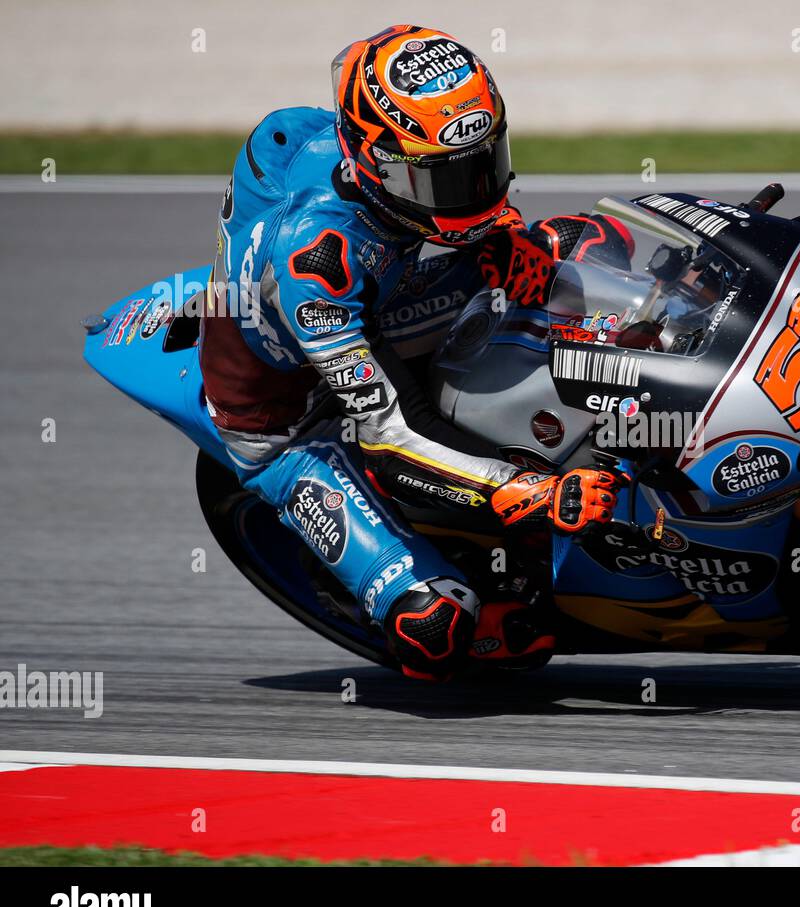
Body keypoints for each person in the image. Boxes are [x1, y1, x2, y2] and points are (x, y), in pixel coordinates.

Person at [199, 24, 630, 680]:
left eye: (483, 164)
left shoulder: (375, 165)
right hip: (285, 416)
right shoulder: (317, 262)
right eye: (445, 180)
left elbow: (482, 220)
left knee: (573, 247)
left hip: (376, 308)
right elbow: (391, 438)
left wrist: (507, 237)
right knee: (435, 628)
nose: (476, 193)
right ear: (374, 164)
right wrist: (531, 491)